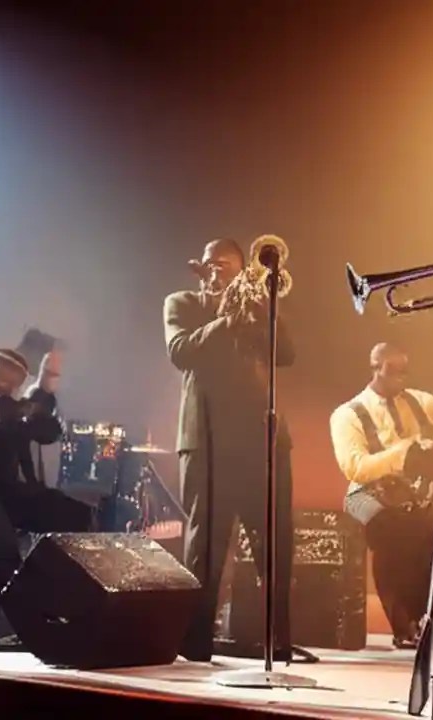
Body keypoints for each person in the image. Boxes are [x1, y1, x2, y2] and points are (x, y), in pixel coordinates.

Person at [164, 238, 295, 661]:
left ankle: (275, 640)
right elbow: (181, 352)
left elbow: (287, 354)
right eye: (210, 263)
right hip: (206, 439)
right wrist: (224, 317)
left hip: (261, 439)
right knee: (206, 543)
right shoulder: (183, 303)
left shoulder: (256, 307)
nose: (216, 269)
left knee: (274, 542)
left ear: (243, 270)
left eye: (225, 264)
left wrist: (263, 308)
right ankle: (195, 640)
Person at [0, 347, 92, 652]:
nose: (3, 382)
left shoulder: (12, 408)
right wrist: (19, 415)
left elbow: (48, 431)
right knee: (2, 561)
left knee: (77, 518)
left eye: (11, 378)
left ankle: (53, 617)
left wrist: (43, 391)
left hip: (18, 496)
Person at [329, 342, 433, 648]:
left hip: (416, 492)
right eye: (392, 371)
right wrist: (402, 454)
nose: (400, 378)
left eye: (404, 371)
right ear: (375, 367)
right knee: (389, 531)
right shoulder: (347, 414)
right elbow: (355, 468)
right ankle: (404, 625)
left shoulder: (424, 402)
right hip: (366, 492)